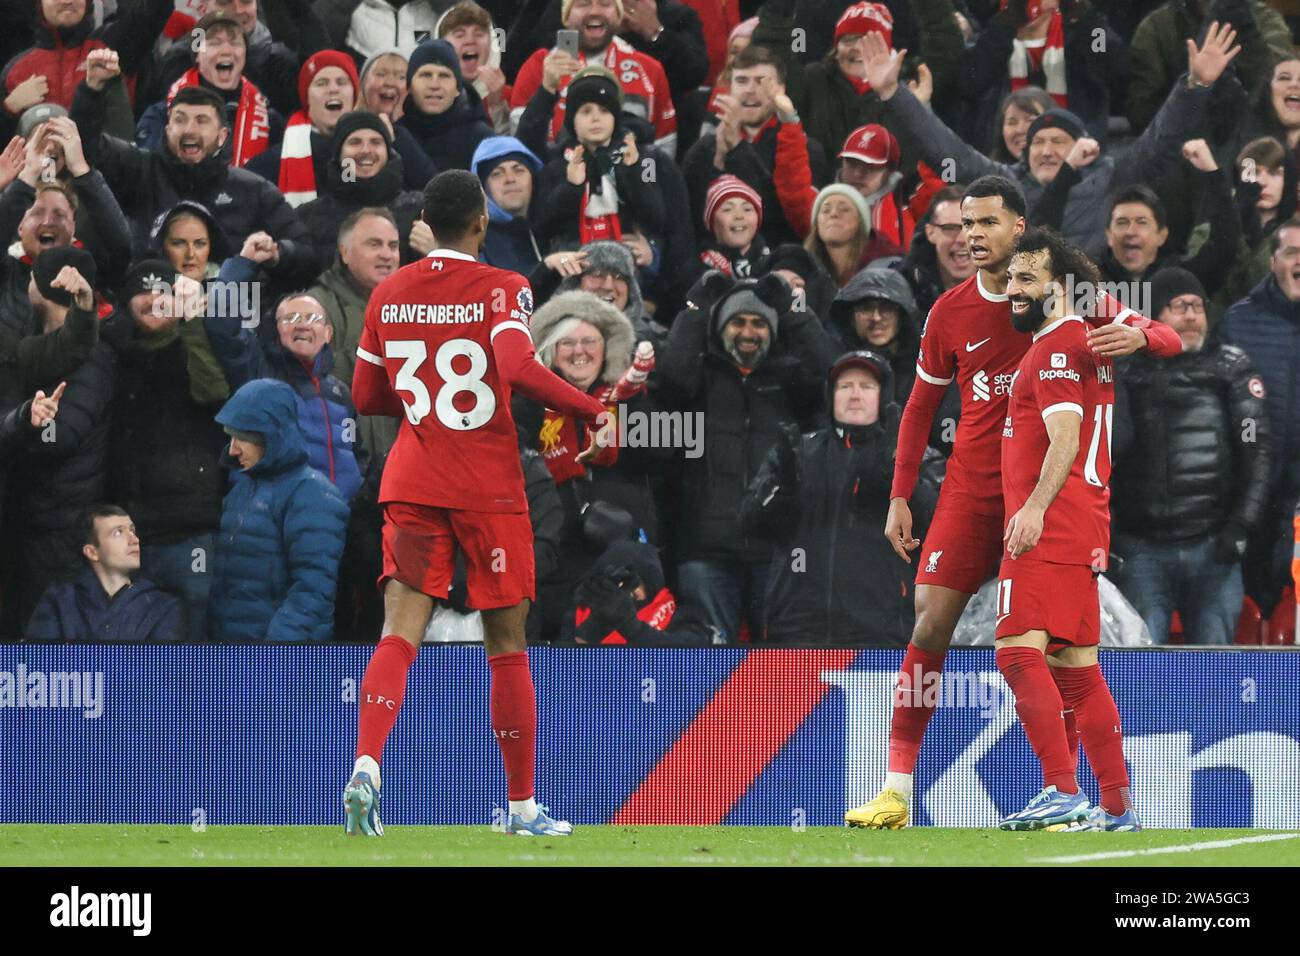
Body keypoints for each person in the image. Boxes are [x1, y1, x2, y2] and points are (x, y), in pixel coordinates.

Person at [843, 176, 1181, 831]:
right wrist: (900, 495)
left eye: (986, 224)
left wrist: (1142, 339)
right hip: (976, 490)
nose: (971, 236)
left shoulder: (1069, 303)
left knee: (1042, 652)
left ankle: (1068, 794)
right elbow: (918, 408)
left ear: (1019, 228)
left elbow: (1166, 336)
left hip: (1043, 498)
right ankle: (897, 789)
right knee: (931, 622)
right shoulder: (949, 312)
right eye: (964, 225)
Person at [343, 169, 609, 837]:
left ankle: (368, 764)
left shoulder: (389, 293)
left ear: (425, 222)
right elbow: (518, 368)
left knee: (399, 629)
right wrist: (588, 405)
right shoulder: (505, 289)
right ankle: (521, 808)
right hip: (487, 486)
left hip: (412, 477)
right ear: (483, 223)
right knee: (507, 642)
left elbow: (366, 398)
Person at [994, 226, 1137, 832]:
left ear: (1061, 288)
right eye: (1010, 280)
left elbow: (1066, 438)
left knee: (1015, 653)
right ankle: (1116, 807)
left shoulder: (1055, 348)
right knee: (1077, 670)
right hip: (1084, 526)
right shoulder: (1085, 342)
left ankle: (1060, 788)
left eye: (1027, 280)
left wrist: (1030, 509)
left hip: (1048, 525)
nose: (1013, 291)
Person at [863, 23, 1238, 249]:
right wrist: (893, 93)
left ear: (1082, 148)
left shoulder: (1108, 179)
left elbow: (1160, 140)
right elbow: (948, 150)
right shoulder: (1005, 184)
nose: (1045, 150)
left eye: (1059, 142)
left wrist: (1195, 85)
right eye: (1037, 143)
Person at [657, 270, 836, 642]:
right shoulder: (699, 378)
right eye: (737, 321)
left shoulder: (791, 381)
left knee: (780, 665)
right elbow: (671, 377)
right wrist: (696, 308)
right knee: (704, 666)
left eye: (759, 323)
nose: (748, 332)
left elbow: (828, 374)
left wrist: (790, 310)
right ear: (720, 326)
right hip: (704, 550)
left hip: (777, 550)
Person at [1111, 268, 1272, 645]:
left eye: (1197, 306)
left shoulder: (1231, 367)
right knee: (1139, 672)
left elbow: (1257, 449)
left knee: (1215, 674)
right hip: (1141, 550)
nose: (1191, 315)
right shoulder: (1126, 370)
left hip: (1213, 547)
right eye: (1178, 305)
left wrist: (1241, 527)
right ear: (1153, 317)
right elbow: (1106, 452)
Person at [740, 349, 942, 644]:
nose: (855, 395)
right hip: (797, 632)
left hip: (883, 634)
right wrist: (782, 489)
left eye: (866, 386)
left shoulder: (913, 455)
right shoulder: (798, 451)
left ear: (884, 395)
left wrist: (898, 480)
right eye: (845, 386)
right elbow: (749, 522)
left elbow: (942, 527)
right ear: (830, 395)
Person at [69, 51, 317, 285]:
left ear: (221, 136)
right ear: (167, 130)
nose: (189, 129)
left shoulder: (254, 189)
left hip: (228, 312)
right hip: (154, 305)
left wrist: (278, 253)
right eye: (180, 119)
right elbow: (85, 147)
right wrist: (93, 90)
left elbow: (307, 253)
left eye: (201, 121)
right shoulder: (141, 170)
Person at [513, 289, 663, 640]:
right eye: (568, 343)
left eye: (589, 341)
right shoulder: (528, 403)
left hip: (622, 555)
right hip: (556, 553)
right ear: (551, 350)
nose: (580, 351)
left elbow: (662, 453)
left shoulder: (633, 396)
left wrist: (633, 401)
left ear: (607, 348)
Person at [102, 261, 230, 642]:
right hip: (128, 531)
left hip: (191, 529)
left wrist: (192, 324)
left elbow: (213, 392)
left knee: (194, 649)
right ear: (125, 303)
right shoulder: (112, 354)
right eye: (145, 291)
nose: (156, 299)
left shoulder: (197, 342)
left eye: (165, 291)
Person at [3, 247, 118, 636]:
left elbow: (59, 438)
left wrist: (26, 424)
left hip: (58, 527)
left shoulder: (94, 357)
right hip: (32, 522)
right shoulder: (32, 345)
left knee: (48, 643)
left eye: (30, 280)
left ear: (39, 288)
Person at [209, 377, 351, 641]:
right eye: (231, 437)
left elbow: (313, 592)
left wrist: (275, 659)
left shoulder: (313, 495)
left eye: (243, 437)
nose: (233, 449)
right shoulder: (242, 489)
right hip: (235, 659)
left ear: (271, 436)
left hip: (282, 666)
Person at [751, 0, 963, 164]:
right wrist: (779, 7)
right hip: (822, 203)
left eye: (868, 39)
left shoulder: (910, 86)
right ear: (835, 49)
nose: (857, 48)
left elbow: (944, 41)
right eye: (847, 40)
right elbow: (772, 54)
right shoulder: (814, 82)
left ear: (888, 48)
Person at [1217, 215, 1300, 617]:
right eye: (1292, 252)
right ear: (1273, 262)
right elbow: (1225, 408)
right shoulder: (1239, 321)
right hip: (1250, 487)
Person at [682, 44, 827, 248]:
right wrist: (717, 164)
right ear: (729, 88)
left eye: (761, 82)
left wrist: (737, 152)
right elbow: (692, 222)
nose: (750, 90)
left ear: (781, 90)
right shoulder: (703, 150)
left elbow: (786, 217)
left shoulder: (806, 149)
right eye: (742, 81)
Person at [0, 121, 133, 335]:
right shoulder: (7, 272)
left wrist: (82, 170)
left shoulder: (89, 268)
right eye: (37, 213)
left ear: (73, 225)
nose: (48, 221)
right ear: (20, 227)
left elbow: (121, 245)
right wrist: (25, 179)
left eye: (59, 214)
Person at [509, 0, 679, 156]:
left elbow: (664, 149)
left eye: (605, 4)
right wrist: (546, 91)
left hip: (628, 182)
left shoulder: (649, 69)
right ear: (566, 17)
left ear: (619, 16)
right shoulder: (539, 66)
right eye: (583, 4)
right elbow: (521, 148)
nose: (595, 11)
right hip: (558, 181)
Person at [533, 66, 666, 253]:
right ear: (572, 120)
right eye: (586, 111)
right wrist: (571, 187)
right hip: (574, 260)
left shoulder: (646, 159)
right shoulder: (556, 163)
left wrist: (632, 172)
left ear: (615, 117)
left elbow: (657, 216)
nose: (596, 118)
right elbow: (542, 224)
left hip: (628, 260)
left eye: (604, 110)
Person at [959, 0, 1123, 149]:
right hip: (1004, 160)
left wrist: (1085, 19)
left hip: (1075, 155)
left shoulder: (1084, 30)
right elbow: (970, 84)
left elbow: (1113, 69)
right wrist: (1005, 26)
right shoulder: (994, 35)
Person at [134, 12, 284, 167]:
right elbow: (151, 173)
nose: (226, 51)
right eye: (214, 43)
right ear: (197, 55)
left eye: (235, 43)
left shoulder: (270, 121)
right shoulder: (161, 115)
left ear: (245, 54)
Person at [1127, 0, 1293, 136]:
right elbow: (1141, 115)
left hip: (1258, 141)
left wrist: (1245, 27)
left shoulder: (1265, 19)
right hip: (1184, 148)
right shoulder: (1157, 27)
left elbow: (1282, 93)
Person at [26, 505, 181, 641]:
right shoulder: (59, 601)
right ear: (92, 552)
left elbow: (160, 671)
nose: (134, 539)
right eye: (118, 533)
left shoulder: (162, 606)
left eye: (132, 530)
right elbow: (40, 666)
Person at [296, 110, 424, 266]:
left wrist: (437, 251)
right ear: (339, 155)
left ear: (388, 152)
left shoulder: (419, 210)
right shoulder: (308, 216)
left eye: (376, 142)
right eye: (355, 142)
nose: (366, 150)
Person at [245, 50, 362, 206]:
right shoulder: (269, 164)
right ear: (306, 98)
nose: (333, 89)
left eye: (342, 82)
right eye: (322, 83)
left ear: (354, 96)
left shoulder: (375, 151)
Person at [397, 38, 493, 173]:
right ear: (409, 87)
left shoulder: (483, 141)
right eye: (425, 75)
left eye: (444, 76)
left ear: (457, 89)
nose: (434, 85)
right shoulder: (394, 136)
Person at [827, 265, 920, 404]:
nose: (876, 317)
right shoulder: (832, 363)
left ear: (902, 315)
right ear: (851, 318)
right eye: (866, 308)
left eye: (887, 308)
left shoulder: (926, 369)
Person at [893, 182, 975, 317]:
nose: (961, 239)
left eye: (969, 226)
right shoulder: (903, 290)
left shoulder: (1009, 290)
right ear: (930, 233)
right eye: (949, 228)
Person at [471, 135, 545, 274]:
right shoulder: (474, 240)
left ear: (533, 181)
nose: (510, 179)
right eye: (497, 174)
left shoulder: (554, 226)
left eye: (519, 170)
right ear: (483, 188)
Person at [436, 1, 513, 133]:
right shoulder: (428, 93)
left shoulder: (509, 95)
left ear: (491, 45)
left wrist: (497, 106)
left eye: (479, 34)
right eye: (459, 35)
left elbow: (513, 149)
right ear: (441, 46)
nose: (470, 41)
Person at [804, 183, 901, 288]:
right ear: (817, 225)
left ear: (860, 221)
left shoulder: (890, 269)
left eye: (845, 209)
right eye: (825, 210)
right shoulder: (802, 274)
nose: (833, 214)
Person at [151, 200, 235, 282]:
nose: (190, 254)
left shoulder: (231, 288)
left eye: (200, 244)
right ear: (161, 247)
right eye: (179, 243)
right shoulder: (146, 291)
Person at [986, 86, 1056, 164]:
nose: (1020, 129)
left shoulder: (1068, 171)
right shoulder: (991, 173)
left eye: (1030, 120)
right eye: (1012, 123)